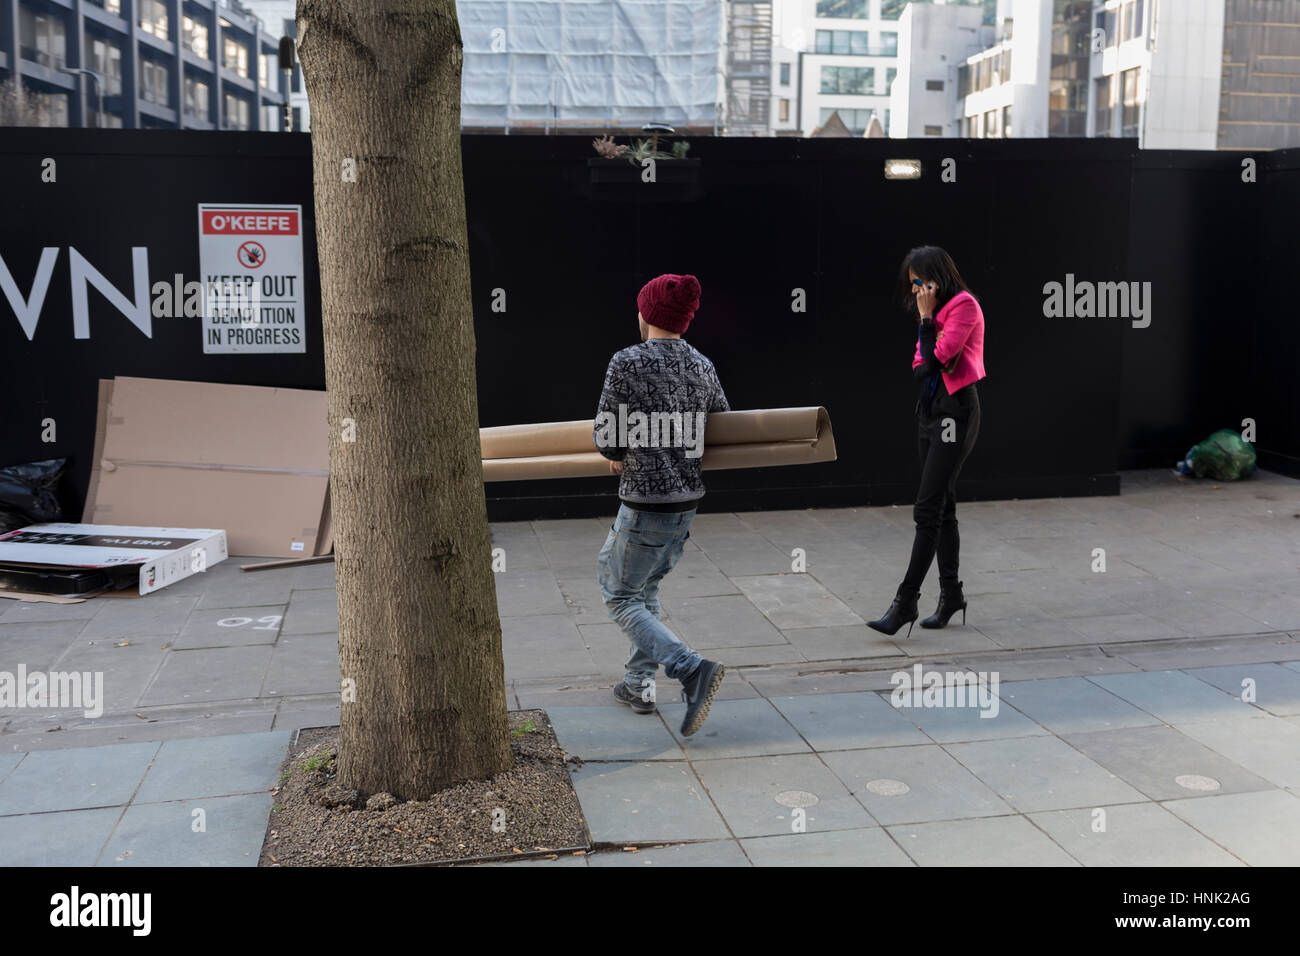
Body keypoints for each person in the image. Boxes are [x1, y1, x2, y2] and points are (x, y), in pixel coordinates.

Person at [594, 273, 730, 737]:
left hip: (644, 505)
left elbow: (608, 439)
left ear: (646, 314)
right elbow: (721, 426)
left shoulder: (626, 362)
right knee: (645, 589)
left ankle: (690, 669)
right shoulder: (703, 365)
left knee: (618, 592)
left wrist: (623, 452)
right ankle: (638, 684)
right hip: (686, 505)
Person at [868, 246, 986, 638]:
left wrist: (925, 321)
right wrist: (928, 333)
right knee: (943, 505)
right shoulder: (936, 316)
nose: (918, 289)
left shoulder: (963, 306)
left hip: (956, 412)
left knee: (927, 509)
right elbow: (920, 366)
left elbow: (934, 360)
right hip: (929, 412)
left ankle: (905, 603)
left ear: (940, 277)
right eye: (913, 283)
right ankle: (951, 594)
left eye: (922, 281)